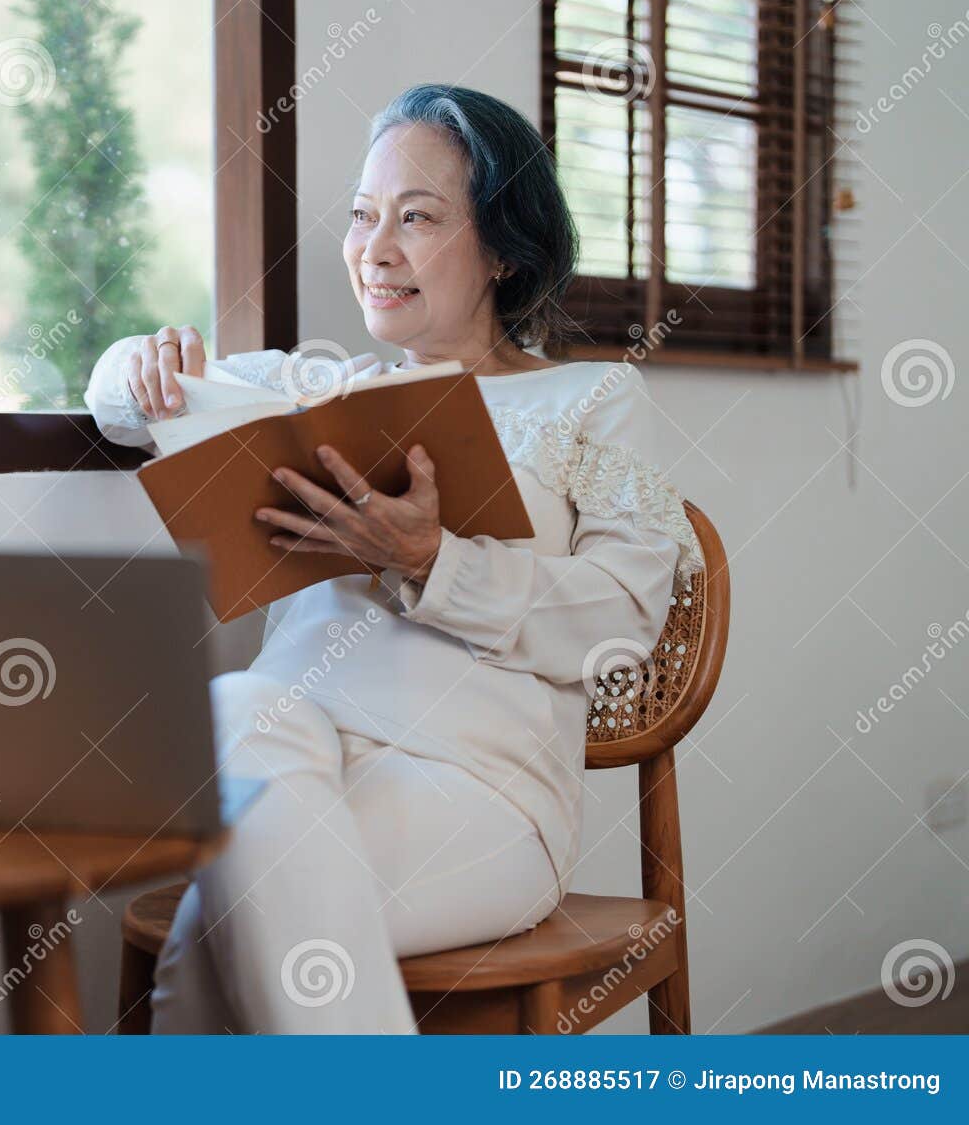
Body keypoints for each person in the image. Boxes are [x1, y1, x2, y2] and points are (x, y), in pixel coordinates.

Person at [85, 84, 702, 1033]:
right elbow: (122, 402)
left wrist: (433, 562)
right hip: (292, 748)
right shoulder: (312, 388)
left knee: (225, 931)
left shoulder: (591, 399)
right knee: (236, 703)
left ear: (500, 245)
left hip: (478, 790)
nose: (377, 249)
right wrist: (141, 360)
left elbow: (622, 620)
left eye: (417, 218)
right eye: (364, 216)